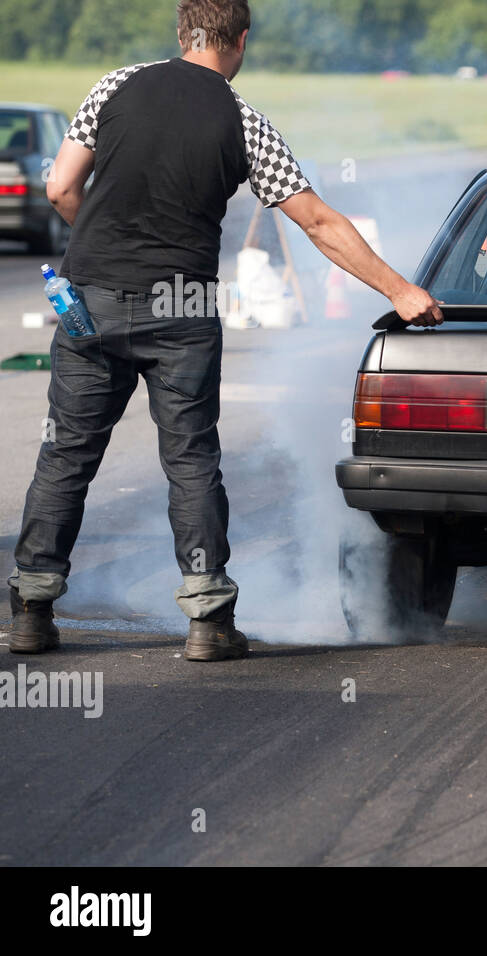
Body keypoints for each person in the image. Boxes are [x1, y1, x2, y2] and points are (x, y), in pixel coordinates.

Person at [6, 0, 442, 662]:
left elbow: (63, 185)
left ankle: (33, 610)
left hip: (89, 301)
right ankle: (208, 619)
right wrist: (401, 290)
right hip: (181, 309)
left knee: (66, 454)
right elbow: (317, 221)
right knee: (190, 461)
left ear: (181, 36)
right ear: (239, 42)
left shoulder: (113, 86)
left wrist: (96, 248)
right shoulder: (242, 120)